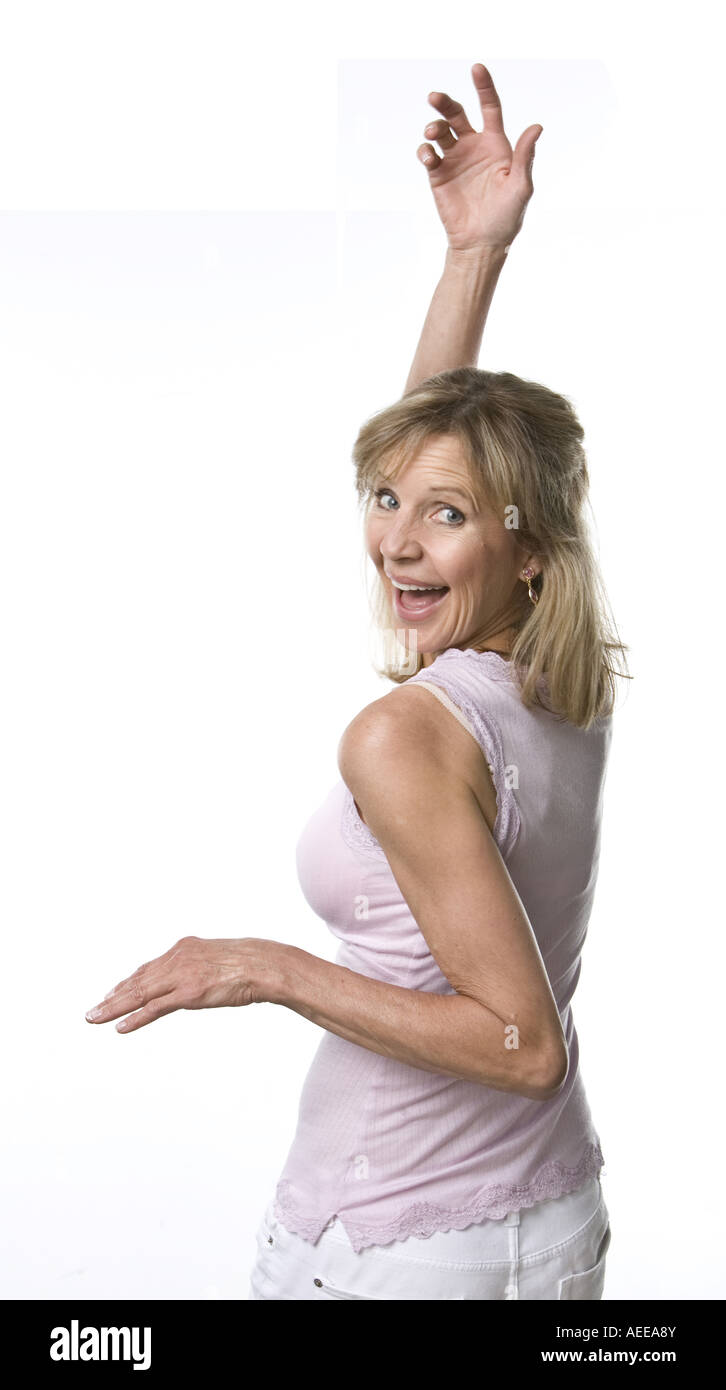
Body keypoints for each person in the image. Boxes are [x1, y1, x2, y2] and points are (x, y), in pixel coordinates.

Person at [85, 62, 629, 1301]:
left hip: (399, 1245)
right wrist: (471, 259)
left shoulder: (404, 732)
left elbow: (523, 1044)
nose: (393, 539)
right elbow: (448, 481)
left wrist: (262, 966)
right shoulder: (558, 673)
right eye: (384, 501)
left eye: (437, 517)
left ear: (523, 550)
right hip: (551, 1219)